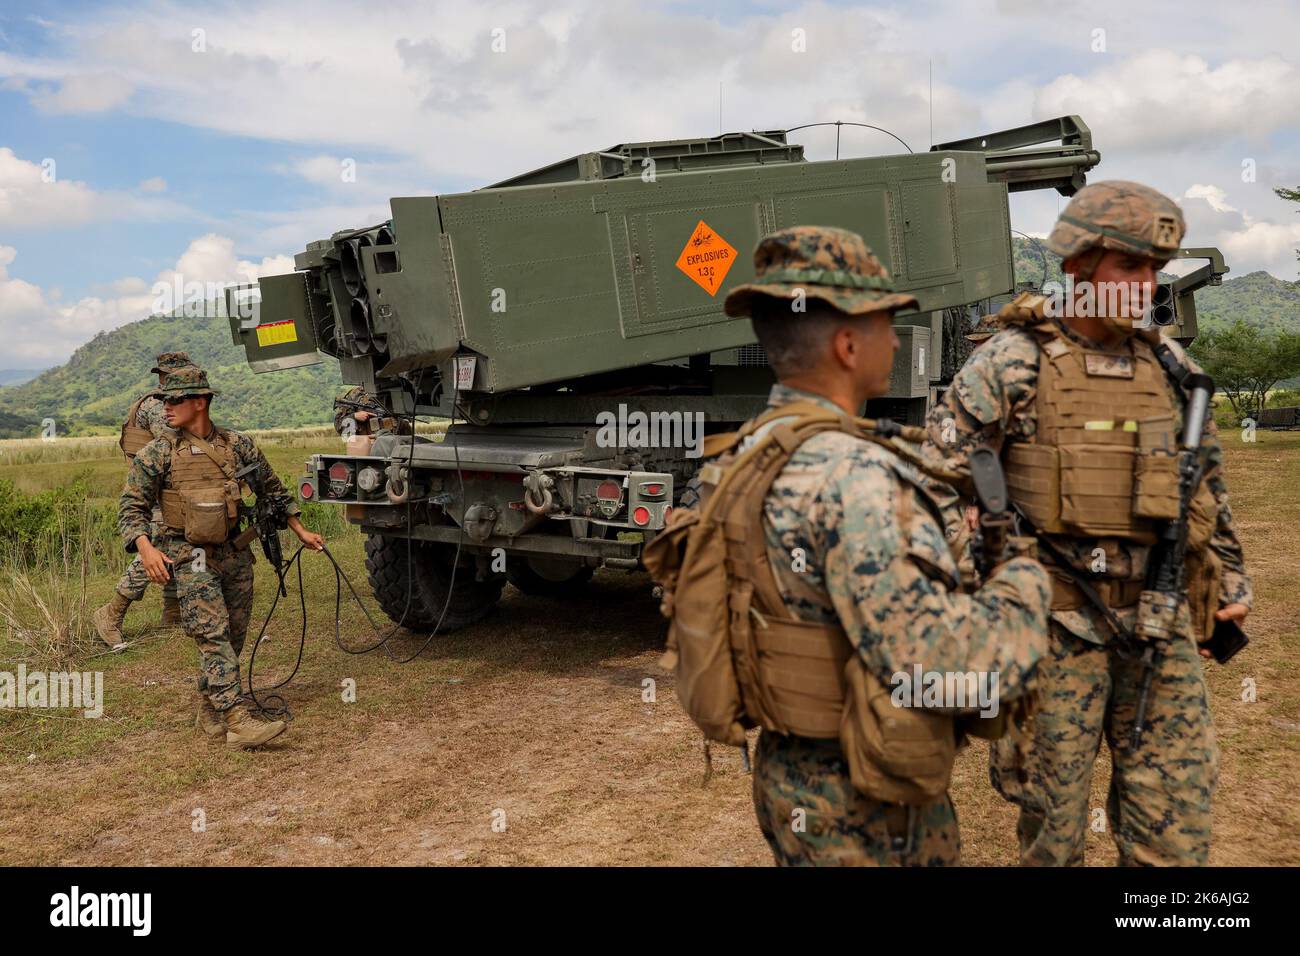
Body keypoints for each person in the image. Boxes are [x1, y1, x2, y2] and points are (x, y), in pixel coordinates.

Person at [656, 225, 1050, 865]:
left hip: (790, 776)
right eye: (885, 323)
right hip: (866, 799)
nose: (895, 339)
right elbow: (941, 670)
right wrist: (1022, 583)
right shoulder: (856, 477)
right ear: (845, 344)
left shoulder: (747, 452)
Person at [921, 181, 1253, 866]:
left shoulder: (1171, 368)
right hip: (1053, 630)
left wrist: (1228, 579)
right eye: (1129, 266)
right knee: (1055, 830)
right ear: (1078, 266)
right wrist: (986, 584)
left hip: (1158, 627)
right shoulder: (1012, 362)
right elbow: (938, 485)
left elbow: (1207, 485)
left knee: (1177, 819)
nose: (1145, 284)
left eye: (1155, 270)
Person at [118, 364, 325, 749]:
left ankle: (211, 706)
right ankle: (236, 719)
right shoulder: (158, 453)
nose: (165, 408)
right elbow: (131, 508)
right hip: (187, 554)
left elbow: (272, 491)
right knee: (212, 633)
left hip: (234, 551)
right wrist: (146, 548)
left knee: (235, 634)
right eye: (164, 400)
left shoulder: (237, 445)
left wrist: (301, 530)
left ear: (200, 402)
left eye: (174, 400)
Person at [93, 351, 192, 647]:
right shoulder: (159, 406)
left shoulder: (162, 402)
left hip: (163, 485)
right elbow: (174, 447)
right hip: (158, 486)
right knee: (159, 542)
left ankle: (172, 610)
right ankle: (111, 613)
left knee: (179, 537)